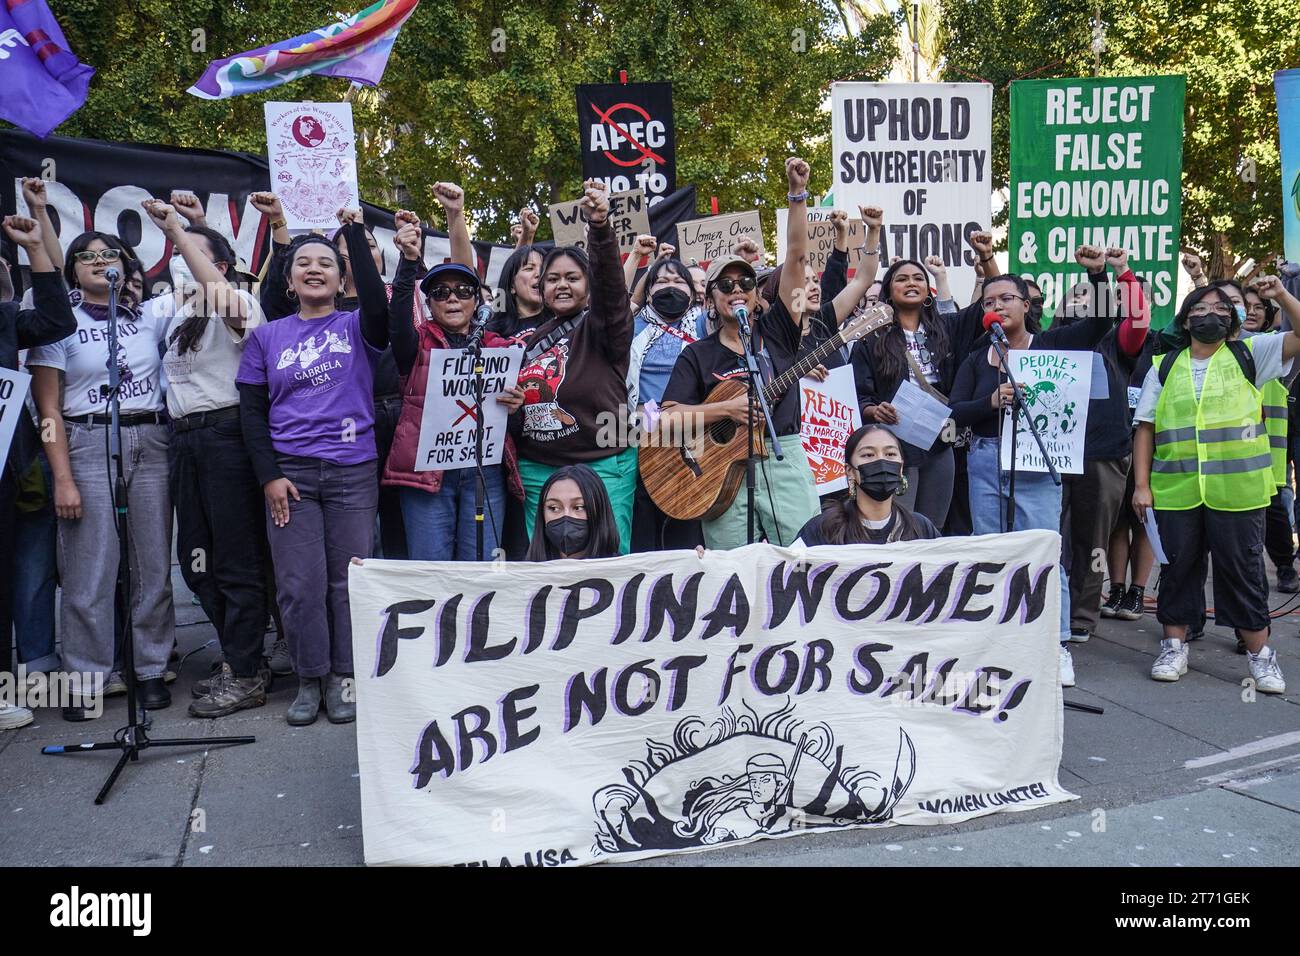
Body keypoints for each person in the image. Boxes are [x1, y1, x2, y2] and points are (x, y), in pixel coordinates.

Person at [659, 159, 873, 549]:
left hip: (783, 456)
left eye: (746, 282)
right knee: (731, 570)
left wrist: (797, 196)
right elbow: (668, 417)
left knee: (804, 557)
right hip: (719, 472)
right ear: (710, 297)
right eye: (725, 284)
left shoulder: (776, 333)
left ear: (758, 294)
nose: (737, 288)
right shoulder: (698, 355)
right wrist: (725, 411)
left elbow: (795, 258)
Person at [949, 247, 1131, 688]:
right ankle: (997, 643)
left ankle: (1058, 644)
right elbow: (956, 410)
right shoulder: (978, 357)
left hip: (1037, 464)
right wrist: (989, 402)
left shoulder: (1052, 343)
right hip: (987, 461)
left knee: (1044, 553)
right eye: (989, 303)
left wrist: (1099, 276)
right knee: (991, 554)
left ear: (1026, 306)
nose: (997, 307)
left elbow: (1104, 324)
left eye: (1006, 299)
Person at [236, 211, 390, 726]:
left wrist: (349, 233)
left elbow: (375, 297)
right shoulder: (266, 337)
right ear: (290, 278)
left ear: (341, 275)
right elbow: (252, 415)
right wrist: (269, 476)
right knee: (299, 584)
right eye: (303, 262)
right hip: (291, 476)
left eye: (326, 263)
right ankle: (309, 677)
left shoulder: (357, 324)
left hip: (352, 471)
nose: (314, 269)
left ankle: (344, 676)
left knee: (348, 583)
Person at [29, 229, 175, 721]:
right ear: (71, 270)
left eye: (108, 253)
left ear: (124, 263)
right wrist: (62, 478)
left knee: (151, 561)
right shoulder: (58, 323)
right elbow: (47, 407)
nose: (98, 261)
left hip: (150, 439)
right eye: (86, 257)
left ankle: (151, 668)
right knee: (89, 567)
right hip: (86, 442)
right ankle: (88, 676)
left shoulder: (148, 319)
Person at [1131, 277, 1300, 694]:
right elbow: (1145, 428)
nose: (1211, 315)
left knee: (1242, 571)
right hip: (1176, 490)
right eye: (1201, 309)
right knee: (1177, 569)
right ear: (1186, 321)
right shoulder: (1164, 366)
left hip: (1238, 490)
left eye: (1222, 309)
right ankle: (1174, 645)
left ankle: (1261, 656)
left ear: (1234, 319)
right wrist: (1141, 486)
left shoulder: (1251, 354)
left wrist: (1279, 294)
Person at [138, 199, 272, 718]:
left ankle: (245, 671)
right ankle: (239, 655)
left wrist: (178, 229)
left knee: (237, 561)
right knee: (196, 564)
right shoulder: (174, 318)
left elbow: (219, 293)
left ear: (218, 264)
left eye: (190, 255)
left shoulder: (238, 302)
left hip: (226, 435)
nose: (178, 262)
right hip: (184, 441)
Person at [383, 212, 526, 560]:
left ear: (476, 302)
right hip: (428, 476)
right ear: (429, 303)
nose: (452, 299)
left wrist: (516, 404)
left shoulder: (500, 348)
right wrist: (408, 262)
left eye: (463, 292)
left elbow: (515, 423)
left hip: (485, 472)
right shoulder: (415, 344)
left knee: (481, 571)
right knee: (432, 574)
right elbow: (397, 321)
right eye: (441, 292)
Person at [514, 179, 638, 553]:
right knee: (548, 566)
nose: (561, 286)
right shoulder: (530, 342)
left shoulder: (605, 327)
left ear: (588, 285)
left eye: (572, 277)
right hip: (539, 470)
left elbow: (612, 290)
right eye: (552, 279)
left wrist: (600, 227)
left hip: (604, 465)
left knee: (610, 566)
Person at [850, 228, 993, 529]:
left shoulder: (948, 329)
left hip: (941, 442)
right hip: (894, 444)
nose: (911, 282)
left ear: (928, 291)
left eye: (918, 278)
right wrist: (873, 410)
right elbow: (856, 393)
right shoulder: (871, 339)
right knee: (897, 527)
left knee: (931, 528)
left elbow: (990, 301)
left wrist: (986, 257)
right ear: (889, 291)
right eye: (902, 279)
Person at [0, 215, 77, 731]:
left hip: (17, 468)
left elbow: (58, 321)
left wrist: (33, 252)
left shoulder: (6, 318)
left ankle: (33, 674)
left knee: (29, 574)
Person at [1058, 251, 1149, 642]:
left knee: (1093, 540)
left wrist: (1121, 272)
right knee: (1051, 537)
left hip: (1103, 454)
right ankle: (1051, 611)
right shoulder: (1049, 341)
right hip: (1054, 453)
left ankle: (1082, 616)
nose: (1082, 303)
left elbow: (1139, 318)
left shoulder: (1118, 343)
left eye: (1089, 299)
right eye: (1074, 299)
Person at [792, 424, 940, 546]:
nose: (881, 462)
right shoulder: (823, 529)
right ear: (849, 471)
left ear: (901, 467)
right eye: (868, 455)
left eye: (890, 454)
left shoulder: (920, 528)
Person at [525, 464, 621, 560]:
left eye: (579, 507)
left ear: (599, 510)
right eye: (554, 508)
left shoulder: (623, 571)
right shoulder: (524, 573)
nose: (566, 516)